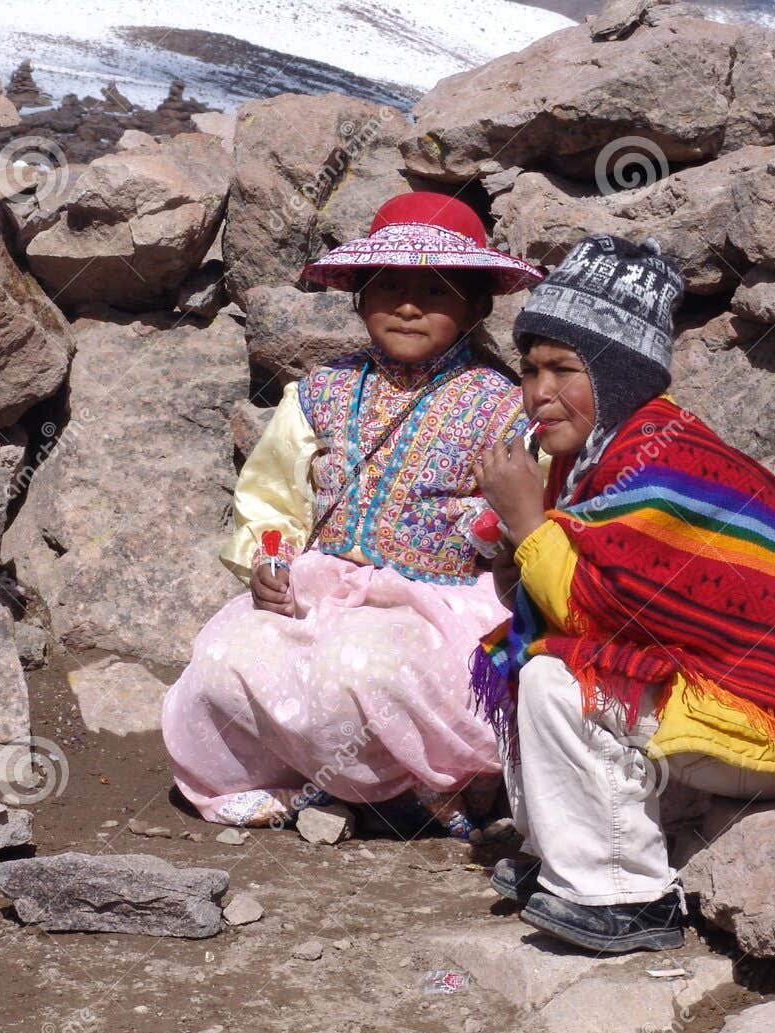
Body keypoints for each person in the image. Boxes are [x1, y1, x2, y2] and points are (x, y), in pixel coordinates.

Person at [471, 234, 775, 953]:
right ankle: (566, 853)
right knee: (522, 658)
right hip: (721, 710)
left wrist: (525, 523)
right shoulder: (588, 462)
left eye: (563, 370)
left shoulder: (665, 465)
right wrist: (514, 539)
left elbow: (595, 608)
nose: (539, 391)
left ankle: (625, 895)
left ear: (616, 377)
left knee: (556, 675)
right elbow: (556, 602)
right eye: (528, 370)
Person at [161, 192, 544, 832]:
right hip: (321, 584)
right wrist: (270, 562)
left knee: (366, 668)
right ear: (359, 297)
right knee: (226, 661)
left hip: (440, 600)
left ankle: (422, 782)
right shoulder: (321, 393)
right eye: (388, 285)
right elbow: (274, 496)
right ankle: (293, 777)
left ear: (478, 306)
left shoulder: (503, 408)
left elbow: (521, 513)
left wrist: (488, 529)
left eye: (437, 291)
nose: (409, 305)